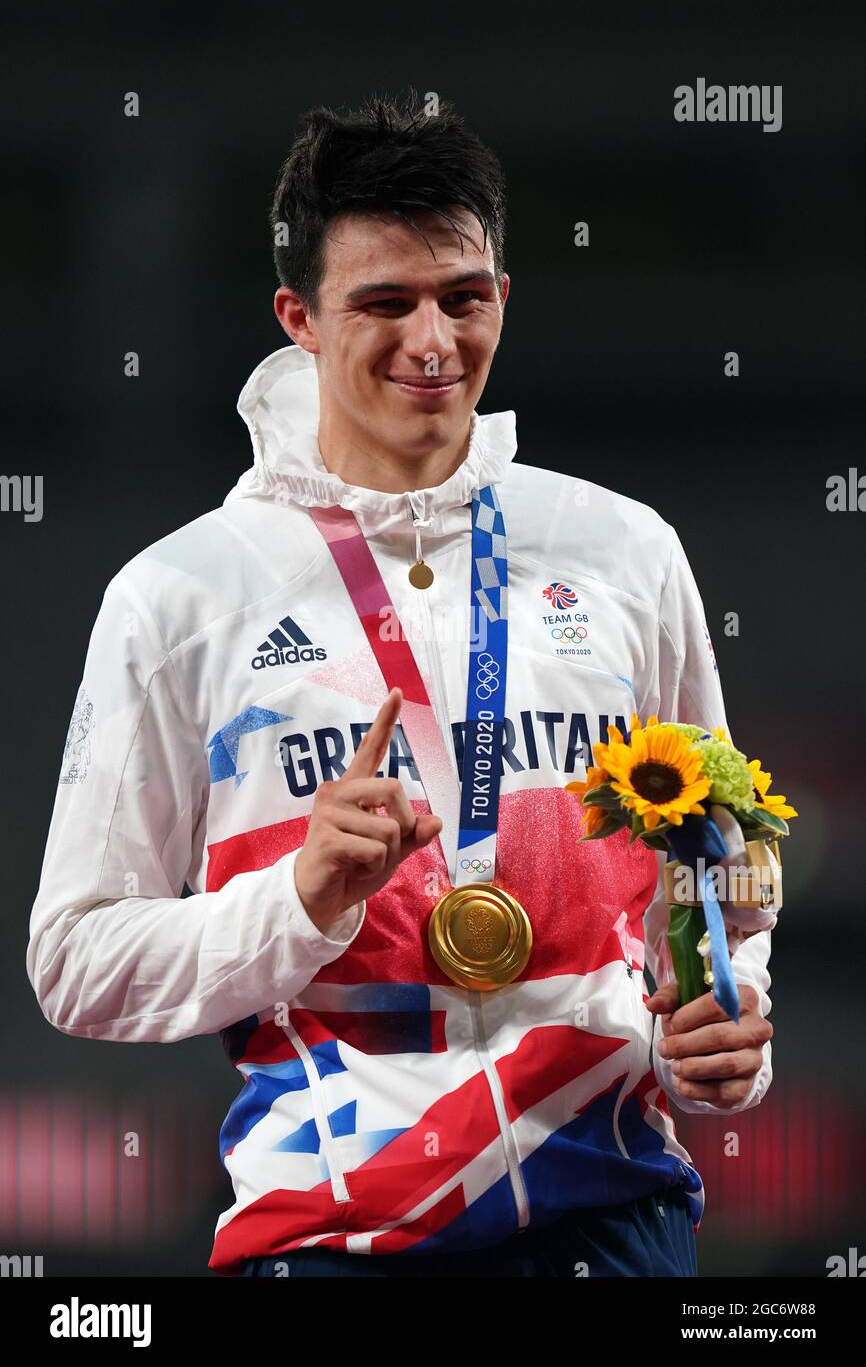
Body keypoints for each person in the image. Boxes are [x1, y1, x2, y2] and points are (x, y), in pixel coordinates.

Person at [26, 91, 774, 1278]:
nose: (432, 343)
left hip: (615, 1220)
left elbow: (724, 854)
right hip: (329, 1239)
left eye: (461, 299)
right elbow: (75, 961)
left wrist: (725, 1018)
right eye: (383, 303)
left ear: (500, 301)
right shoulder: (181, 597)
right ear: (299, 319)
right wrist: (297, 897)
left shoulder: (626, 551)